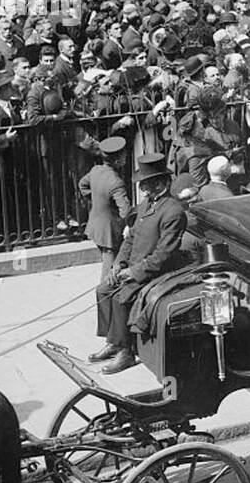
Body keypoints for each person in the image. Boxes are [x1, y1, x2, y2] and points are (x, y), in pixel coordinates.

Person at [92, 153, 188, 374]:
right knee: (104, 289)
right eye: (143, 185)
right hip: (133, 266)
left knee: (121, 297)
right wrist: (118, 264)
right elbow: (131, 238)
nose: (143, 190)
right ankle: (114, 341)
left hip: (158, 271)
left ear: (162, 183)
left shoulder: (173, 211)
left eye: (147, 185)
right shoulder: (146, 205)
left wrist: (134, 272)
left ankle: (126, 352)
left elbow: (163, 254)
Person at [79, 135, 131, 281]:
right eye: (124, 156)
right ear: (117, 160)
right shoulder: (116, 182)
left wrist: (96, 197)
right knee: (109, 271)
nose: (126, 157)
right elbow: (125, 211)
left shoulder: (96, 170)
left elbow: (82, 185)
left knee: (107, 261)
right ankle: (105, 294)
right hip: (109, 231)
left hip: (95, 226)